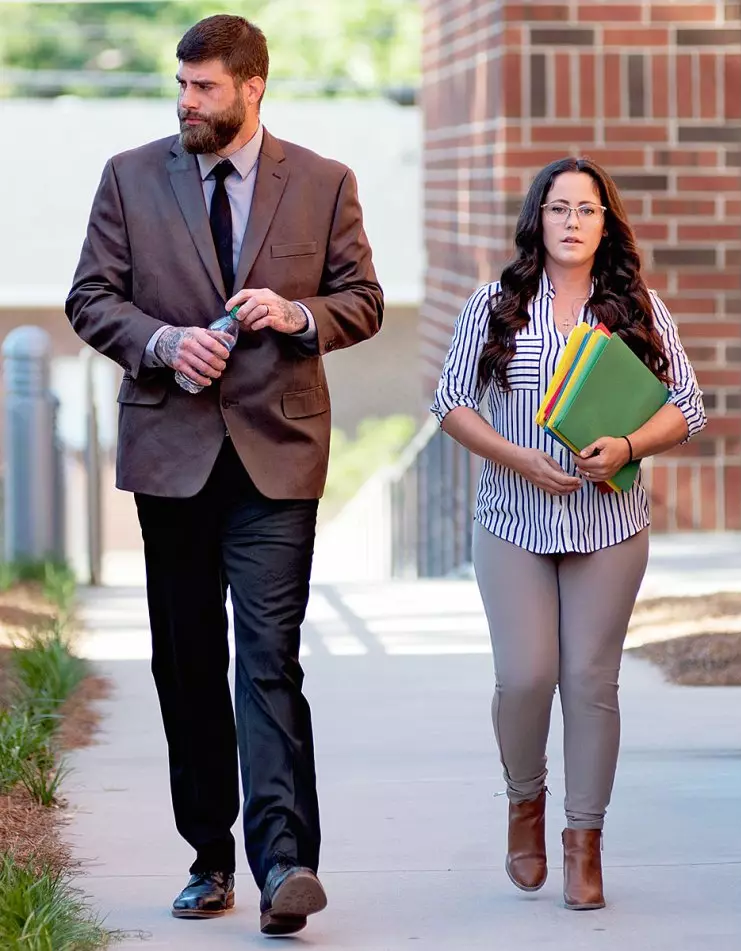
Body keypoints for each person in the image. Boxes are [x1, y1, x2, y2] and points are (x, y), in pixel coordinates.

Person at [66, 14, 383, 938]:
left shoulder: (323, 183)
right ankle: (209, 856)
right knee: (189, 661)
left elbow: (362, 300)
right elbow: (91, 297)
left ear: (253, 87)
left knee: (270, 659)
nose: (186, 102)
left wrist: (294, 312)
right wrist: (162, 343)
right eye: (181, 85)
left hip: (277, 455)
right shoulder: (129, 176)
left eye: (204, 87)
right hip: (170, 457)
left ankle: (286, 860)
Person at [431, 157, 705, 911]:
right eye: (560, 208)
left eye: (587, 209)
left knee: (589, 682)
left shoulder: (636, 305)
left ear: (606, 223)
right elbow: (451, 402)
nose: (573, 221)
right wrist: (518, 456)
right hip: (513, 519)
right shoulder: (495, 302)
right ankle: (526, 801)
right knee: (526, 676)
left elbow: (687, 404)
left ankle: (584, 842)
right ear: (538, 219)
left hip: (609, 523)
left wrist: (626, 447)